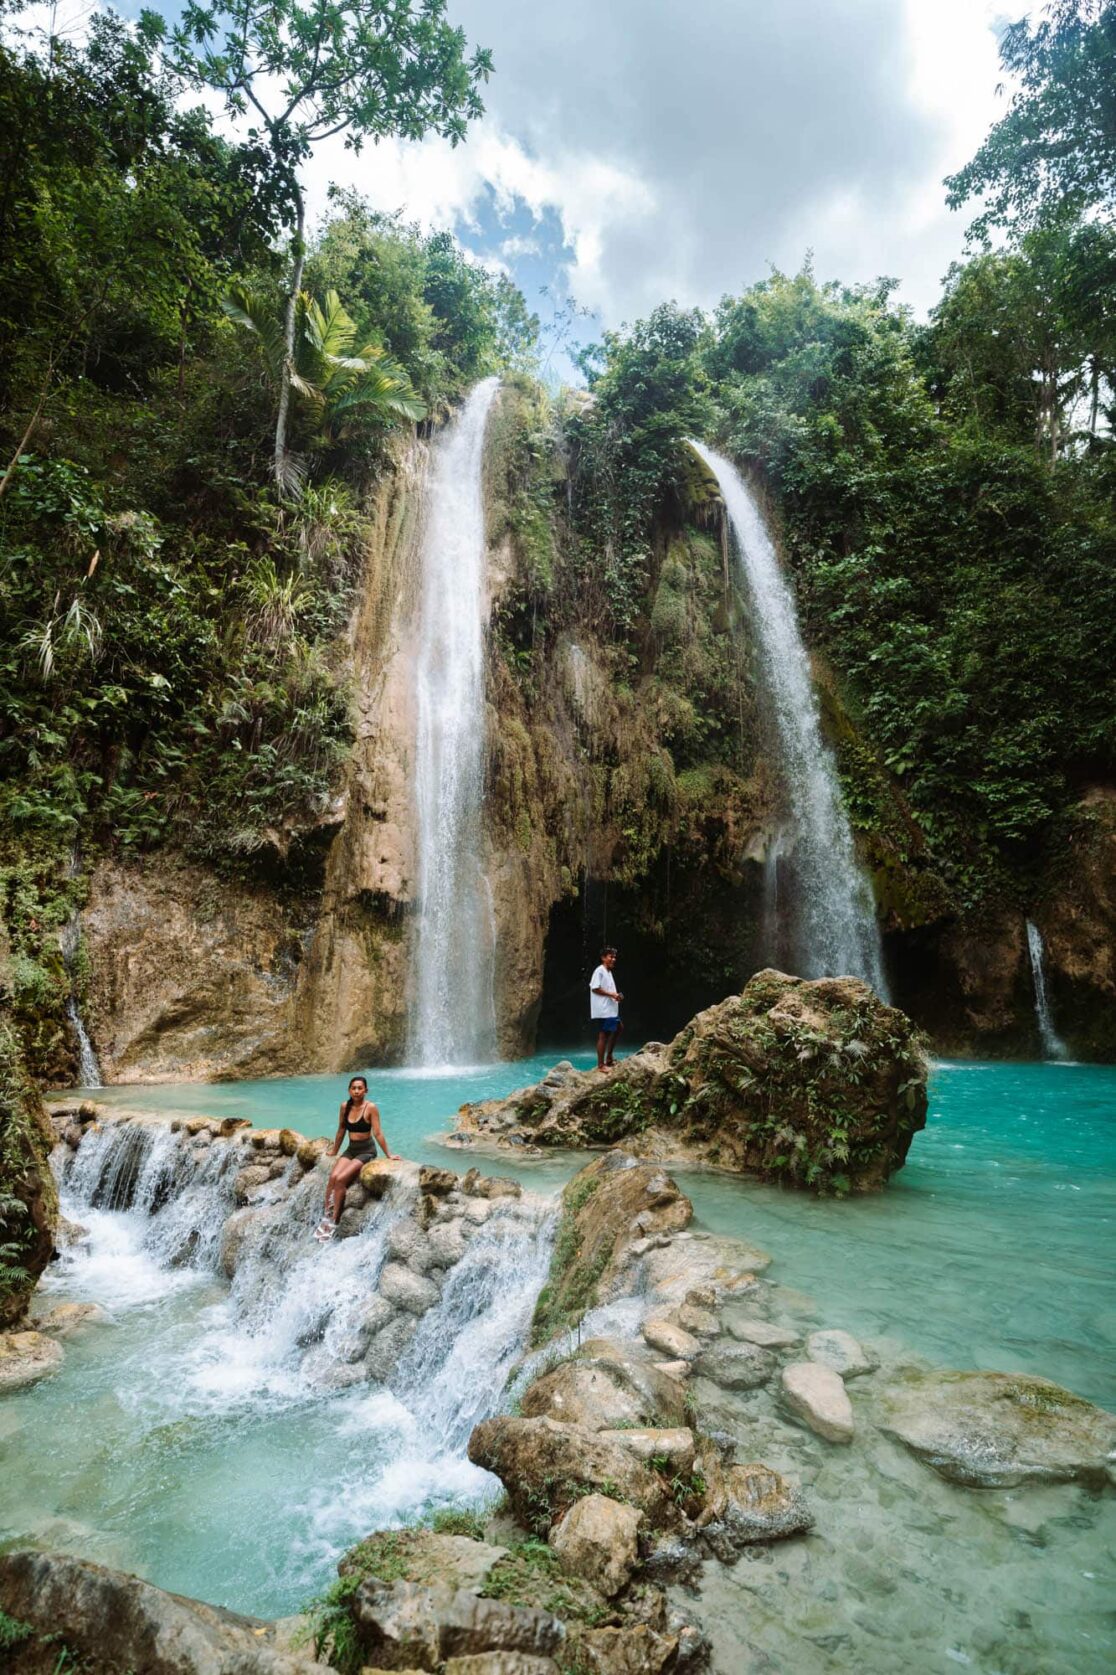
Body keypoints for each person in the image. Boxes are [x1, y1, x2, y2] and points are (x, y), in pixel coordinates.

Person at [314, 1075, 400, 1241]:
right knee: (332, 1177)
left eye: (360, 1088)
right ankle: (326, 1216)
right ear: (349, 1090)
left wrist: (389, 1154)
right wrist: (334, 1151)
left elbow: (378, 1133)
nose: (356, 1091)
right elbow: (341, 1130)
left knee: (340, 1180)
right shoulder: (344, 1106)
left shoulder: (371, 1108)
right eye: (353, 1088)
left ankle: (334, 1220)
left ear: (366, 1091)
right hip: (351, 1149)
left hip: (366, 1151)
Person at [589, 946, 623, 1071]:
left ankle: (609, 1057)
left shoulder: (608, 971)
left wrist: (616, 996)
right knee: (604, 1035)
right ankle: (601, 1065)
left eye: (614, 957)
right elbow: (595, 988)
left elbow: (609, 989)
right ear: (603, 958)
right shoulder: (600, 970)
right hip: (604, 1010)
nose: (613, 959)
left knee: (619, 1028)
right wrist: (612, 994)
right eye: (610, 957)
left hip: (611, 1009)